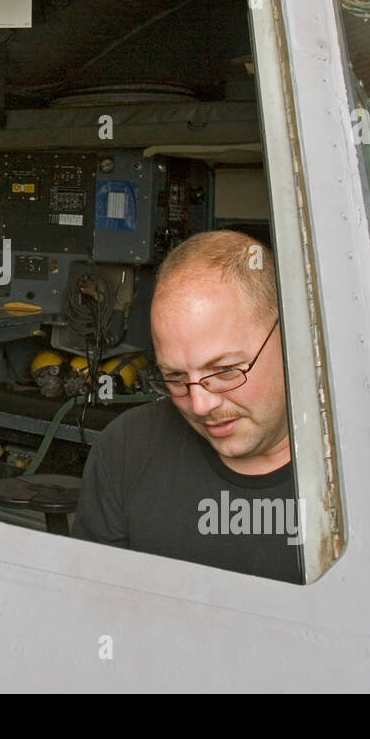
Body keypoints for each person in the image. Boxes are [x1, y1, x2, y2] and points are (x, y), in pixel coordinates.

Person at [72, 231, 304, 582]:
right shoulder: (124, 450)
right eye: (176, 377)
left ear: (290, 337)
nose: (200, 404)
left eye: (225, 371)